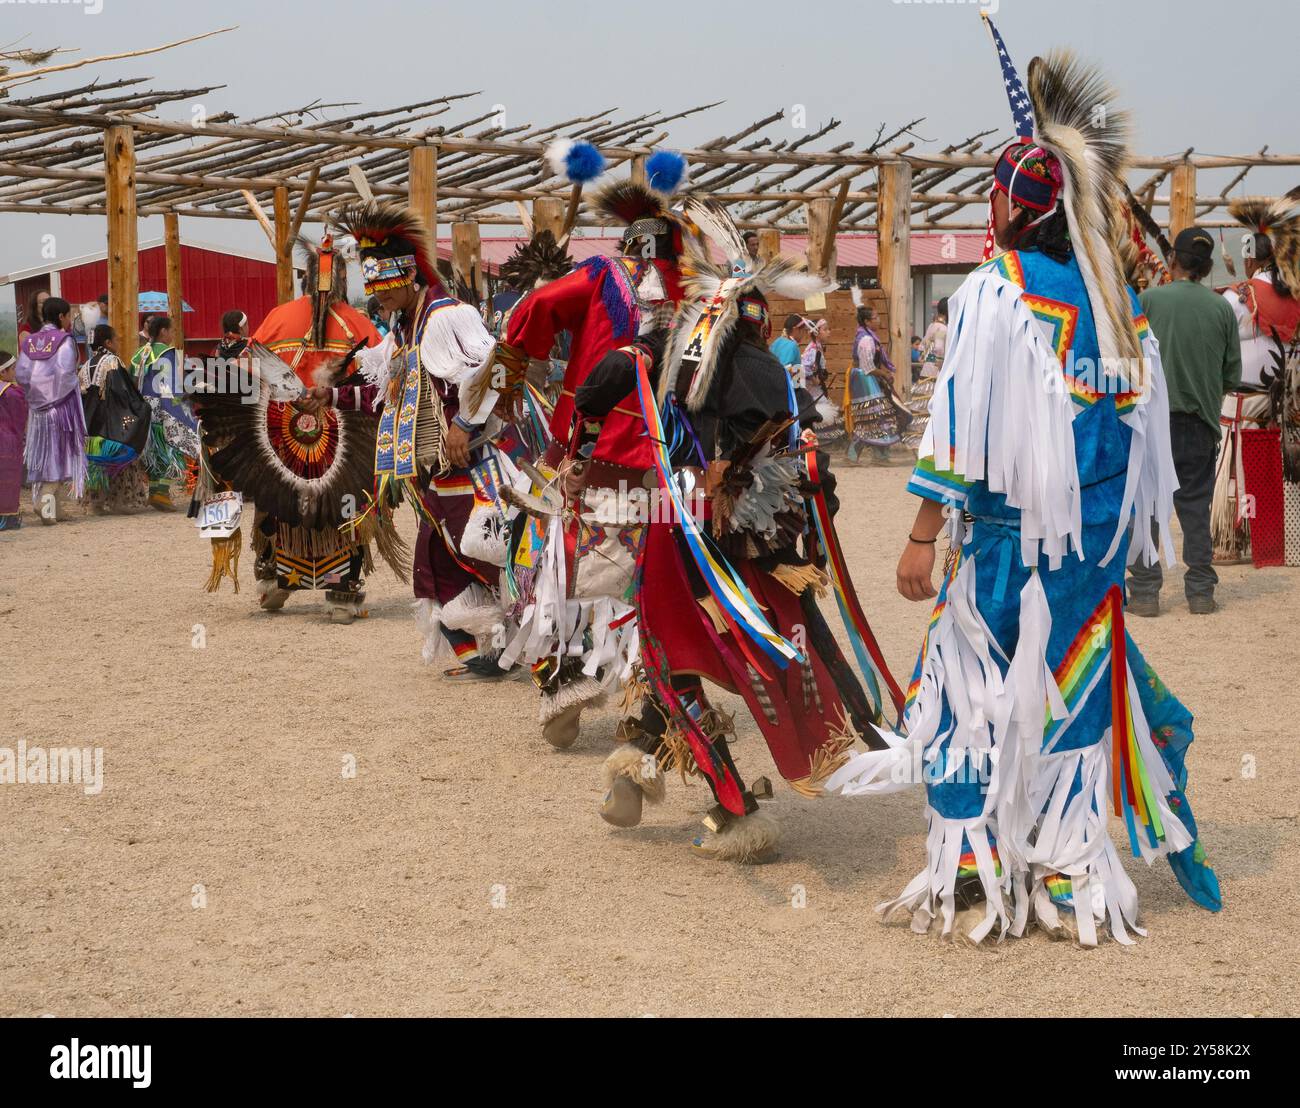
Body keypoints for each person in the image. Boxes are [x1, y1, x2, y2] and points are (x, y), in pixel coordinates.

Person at [828, 42, 1220, 946]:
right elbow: (1134, 437)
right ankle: (1070, 859)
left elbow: (958, 429)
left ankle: (971, 865)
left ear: (1011, 206)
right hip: (1090, 550)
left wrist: (924, 534)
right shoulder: (1115, 305)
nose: (986, 210)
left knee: (969, 686)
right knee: (1072, 688)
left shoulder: (995, 294)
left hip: (1008, 544)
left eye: (992, 196)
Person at [590, 201, 903, 859]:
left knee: (679, 648)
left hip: (703, 530)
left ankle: (732, 803)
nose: (645, 287)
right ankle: (640, 759)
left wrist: (609, 382)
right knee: (684, 647)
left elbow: (608, 381)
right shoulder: (737, 350)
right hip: (742, 532)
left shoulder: (691, 341)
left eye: (650, 272)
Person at [495, 161, 691, 743]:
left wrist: (511, 370)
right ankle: (642, 690)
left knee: (554, 561)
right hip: (664, 456)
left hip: (582, 447)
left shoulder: (604, 274)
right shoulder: (694, 293)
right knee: (644, 570)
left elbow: (534, 310)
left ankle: (563, 686)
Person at [333, 202, 510, 657]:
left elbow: (498, 368)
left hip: (476, 461)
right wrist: (329, 398)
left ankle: (520, 641)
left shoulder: (445, 315)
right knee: (437, 559)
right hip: (438, 468)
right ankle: (484, 650)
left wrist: (464, 425)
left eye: (387, 288)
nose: (380, 298)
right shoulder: (403, 328)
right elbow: (384, 398)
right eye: (375, 290)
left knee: (482, 554)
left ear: (409, 278)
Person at [195, 239, 400, 621]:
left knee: (277, 500)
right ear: (340, 279)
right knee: (345, 505)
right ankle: (342, 590)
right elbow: (381, 383)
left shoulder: (278, 318)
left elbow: (247, 371)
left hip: (279, 433)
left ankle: (275, 577)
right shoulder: (356, 323)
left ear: (306, 280)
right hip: (343, 437)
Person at [1127, 227, 1241, 615]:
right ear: (1207, 267)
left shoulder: (1148, 300)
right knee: (1194, 505)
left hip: (1152, 422)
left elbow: (1129, 360)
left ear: (1172, 260)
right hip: (1200, 421)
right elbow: (1231, 374)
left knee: (1149, 507)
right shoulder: (1222, 307)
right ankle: (1200, 591)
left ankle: (1144, 591)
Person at [1212, 192, 1300, 563]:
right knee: (1284, 469)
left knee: (1237, 470)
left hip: (1244, 401)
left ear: (1250, 256)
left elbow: (1214, 333)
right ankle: (1282, 536)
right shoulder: (1294, 294)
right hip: (1288, 401)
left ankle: (1231, 540)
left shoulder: (1241, 296)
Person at [15, 296, 85, 524]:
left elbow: (22, 374)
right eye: (68, 317)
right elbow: (65, 372)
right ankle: (44, 501)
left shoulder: (31, 341)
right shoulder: (64, 341)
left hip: (37, 409)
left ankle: (55, 510)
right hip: (60, 407)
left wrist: (36, 396)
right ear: (61, 317)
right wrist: (69, 389)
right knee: (60, 453)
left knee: (46, 455)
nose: (69, 321)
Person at [131, 314, 199, 511]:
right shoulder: (166, 353)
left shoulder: (141, 353)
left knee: (153, 450)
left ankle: (155, 492)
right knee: (169, 445)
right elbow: (170, 385)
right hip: (163, 406)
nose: (172, 335)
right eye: (171, 331)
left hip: (144, 406)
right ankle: (160, 492)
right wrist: (182, 407)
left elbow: (131, 377)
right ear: (163, 331)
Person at [81, 324, 151, 514]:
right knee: (121, 456)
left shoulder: (86, 365)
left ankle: (95, 503)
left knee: (97, 464)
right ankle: (120, 501)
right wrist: (141, 407)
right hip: (110, 424)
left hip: (91, 427)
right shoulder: (113, 362)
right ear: (108, 343)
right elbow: (123, 394)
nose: (119, 343)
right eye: (117, 339)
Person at [844, 303, 906, 464]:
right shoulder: (865, 339)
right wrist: (885, 375)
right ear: (866, 321)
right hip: (864, 379)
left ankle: (879, 455)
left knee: (878, 415)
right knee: (874, 415)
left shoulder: (869, 337)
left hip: (867, 377)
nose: (879, 320)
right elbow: (867, 367)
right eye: (875, 318)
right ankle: (855, 453)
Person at [0, 349, 25, 531]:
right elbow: (19, 420)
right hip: (7, 442)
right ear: (3, 372)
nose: (15, 372)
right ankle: (8, 518)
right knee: (8, 479)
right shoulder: (13, 393)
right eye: (12, 369)